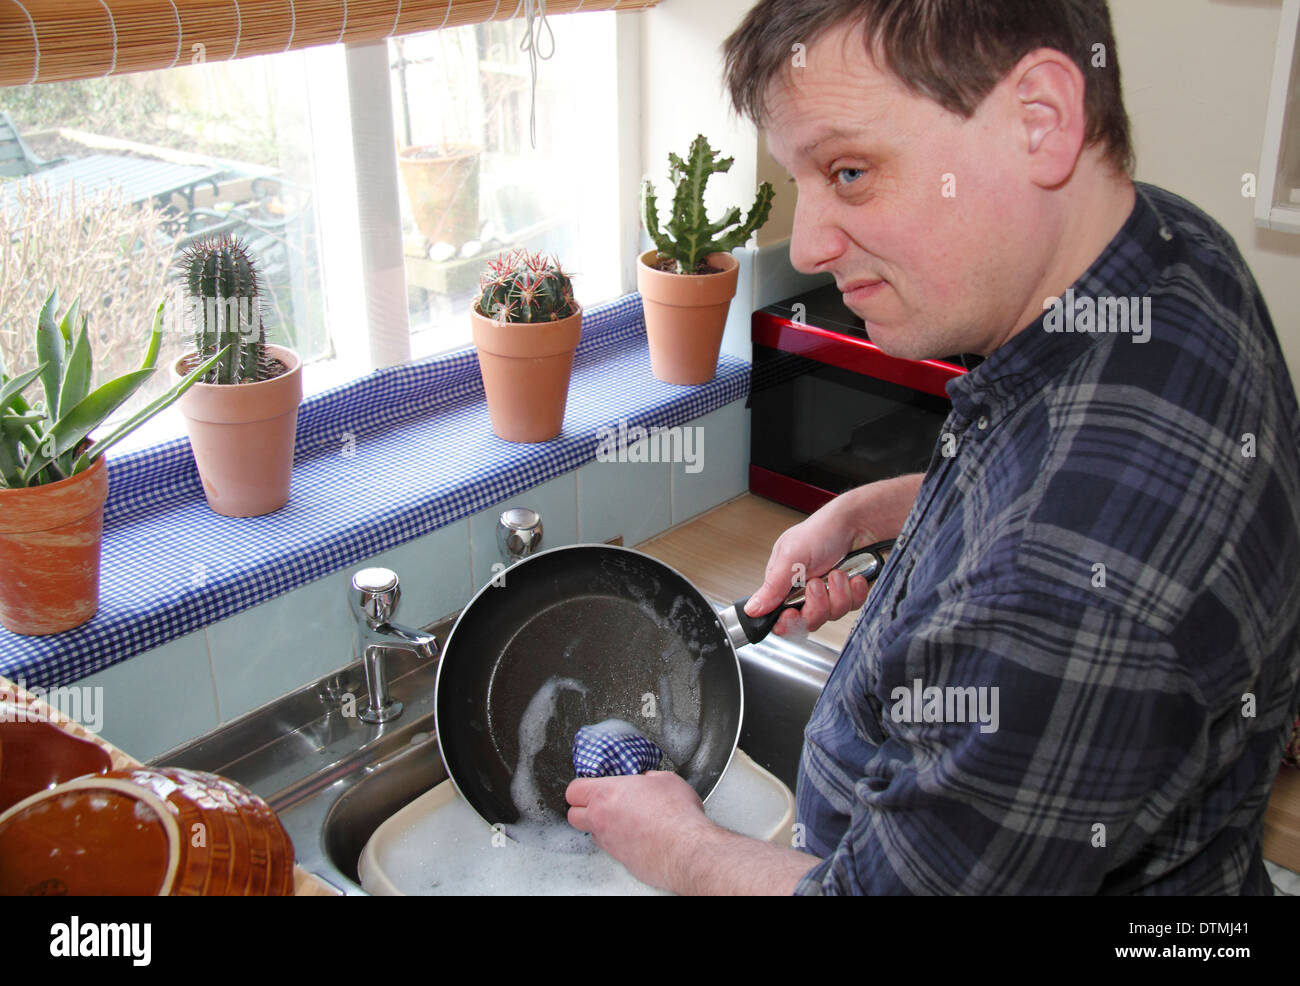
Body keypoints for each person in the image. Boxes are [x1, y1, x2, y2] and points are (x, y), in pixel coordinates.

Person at [565, 0, 1300, 894]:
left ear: (1041, 121)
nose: (811, 241)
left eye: (850, 170)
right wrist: (884, 510)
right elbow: (1051, 466)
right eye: (805, 181)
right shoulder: (1172, 254)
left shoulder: (1062, 598)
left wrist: (674, 840)